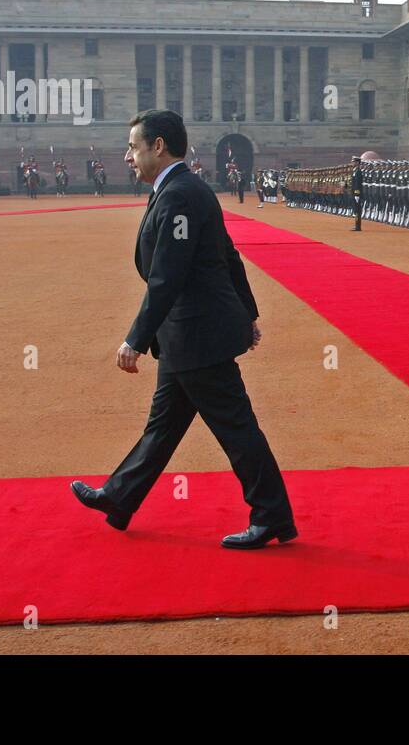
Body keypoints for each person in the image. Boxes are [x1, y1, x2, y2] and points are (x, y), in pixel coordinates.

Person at [71, 109, 296, 548]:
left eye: (134, 147)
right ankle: (120, 497)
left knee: (236, 427)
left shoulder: (179, 194)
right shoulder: (181, 189)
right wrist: (247, 313)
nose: (128, 157)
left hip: (197, 334)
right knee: (163, 426)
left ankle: (272, 516)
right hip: (187, 336)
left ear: (159, 146)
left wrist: (135, 338)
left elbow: (167, 276)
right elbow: (227, 256)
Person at [350, 156, 364, 231]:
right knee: (356, 210)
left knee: (357, 210)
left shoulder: (358, 171)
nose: (352, 163)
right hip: (354, 193)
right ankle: (356, 225)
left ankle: (358, 226)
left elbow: (358, 184)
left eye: (354, 162)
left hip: (357, 194)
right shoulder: (355, 171)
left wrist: (357, 194)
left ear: (357, 162)